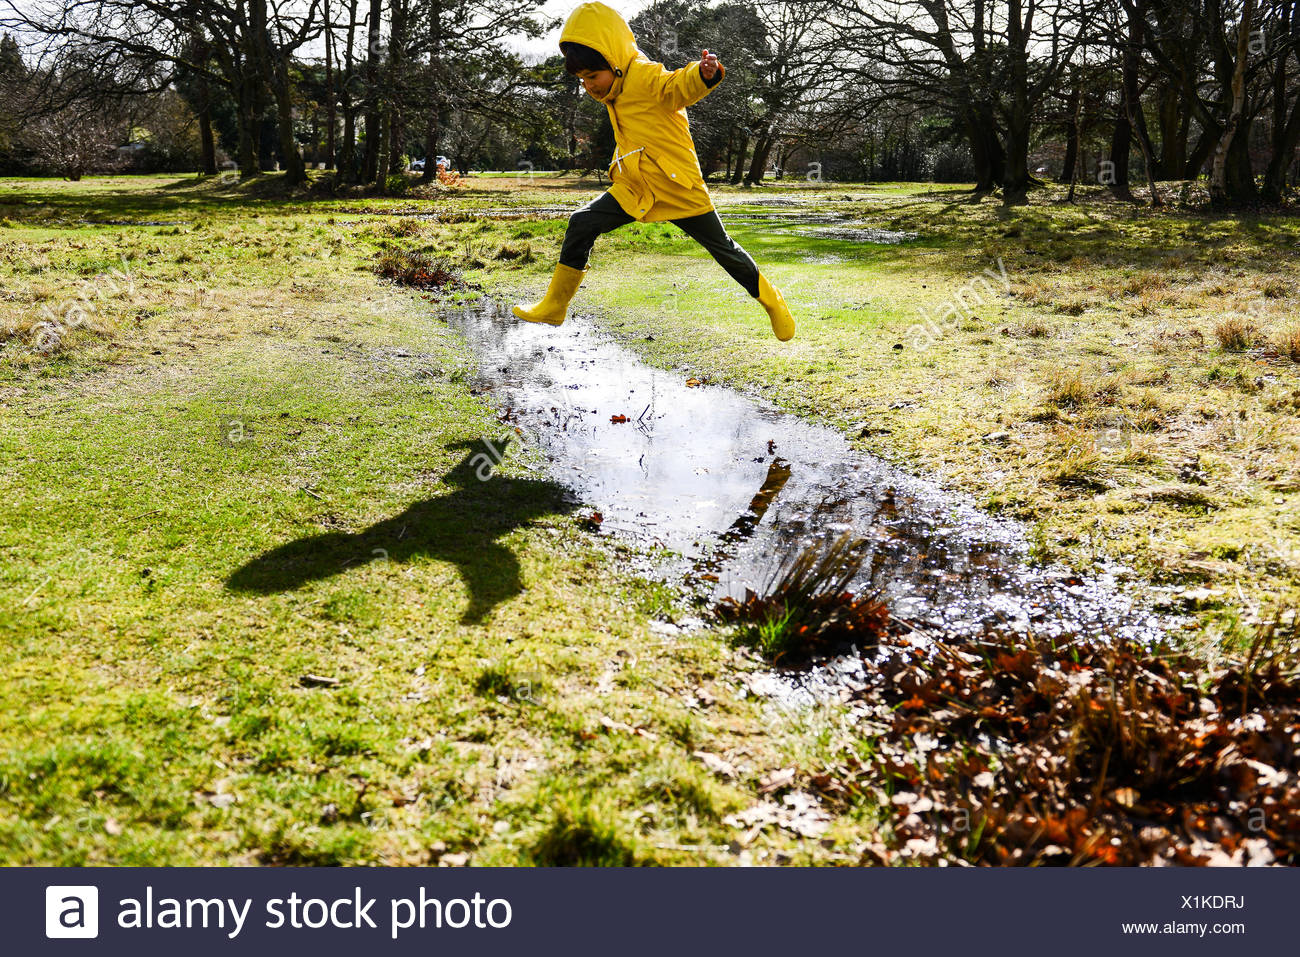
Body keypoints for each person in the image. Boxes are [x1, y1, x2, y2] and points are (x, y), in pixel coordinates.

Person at [512, 1, 795, 341]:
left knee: (723, 249)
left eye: (593, 76)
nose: (589, 86)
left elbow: (677, 86)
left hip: (677, 186)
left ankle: (771, 300)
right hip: (636, 186)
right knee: (581, 223)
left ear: (614, 62)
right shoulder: (614, 92)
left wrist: (702, 74)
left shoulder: (645, 76)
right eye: (582, 79)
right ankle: (555, 307)